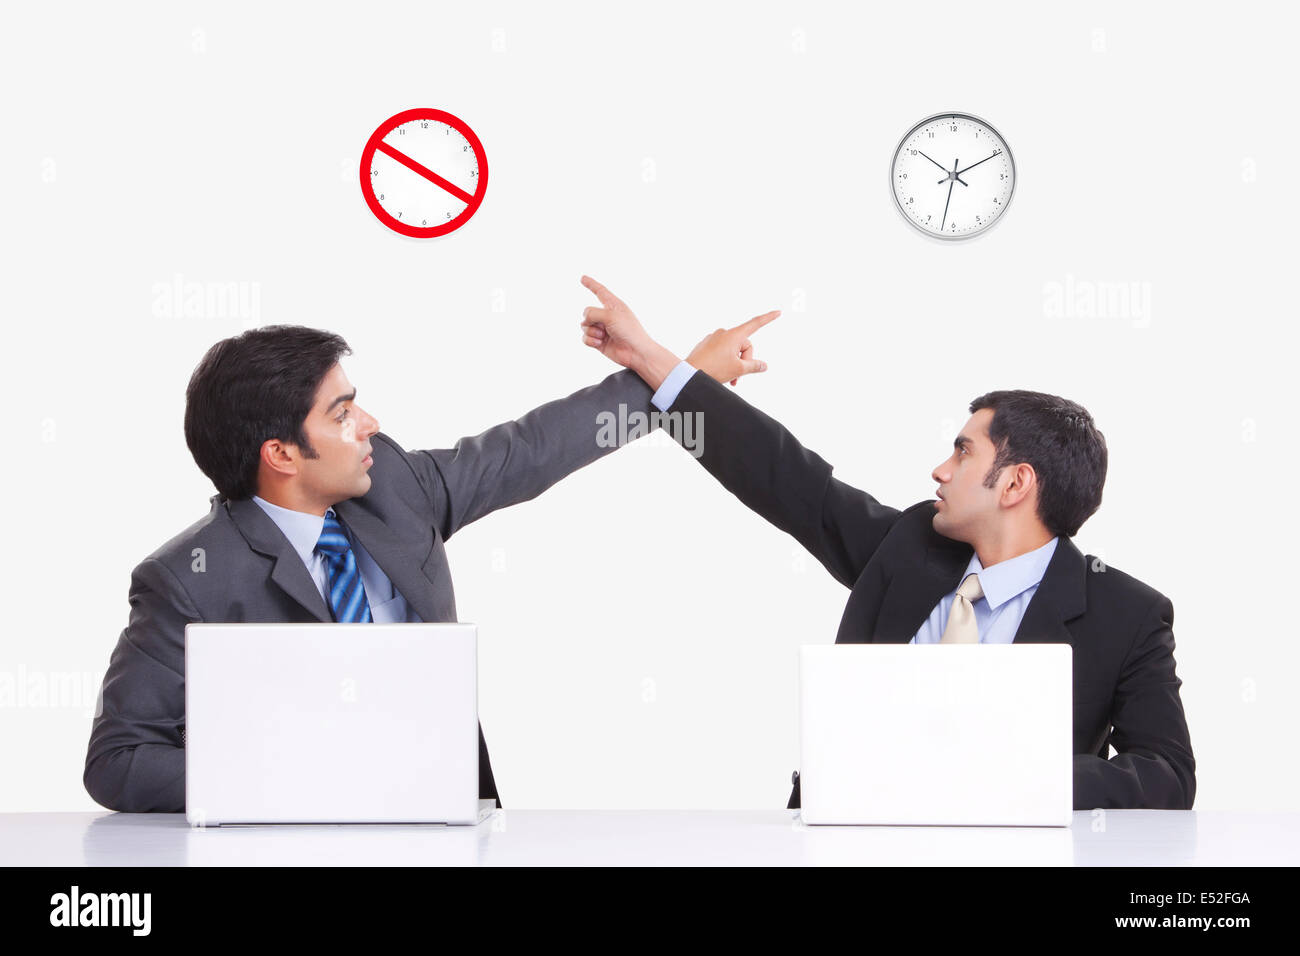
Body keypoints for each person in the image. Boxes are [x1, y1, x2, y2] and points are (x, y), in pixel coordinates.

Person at [84, 314, 764, 813]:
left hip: (456, 813)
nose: (370, 423)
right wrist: (291, 776)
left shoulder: (395, 490)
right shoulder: (190, 577)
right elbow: (119, 760)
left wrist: (683, 379)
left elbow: (530, 449)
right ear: (281, 454)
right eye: (343, 413)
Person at [578, 276, 1195, 810]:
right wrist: (656, 360)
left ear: (1015, 482)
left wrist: (1011, 771)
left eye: (963, 450)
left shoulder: (1128, 614)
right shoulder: (908, 546)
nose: (940, 470)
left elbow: (1166, 776)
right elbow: (784, 477)